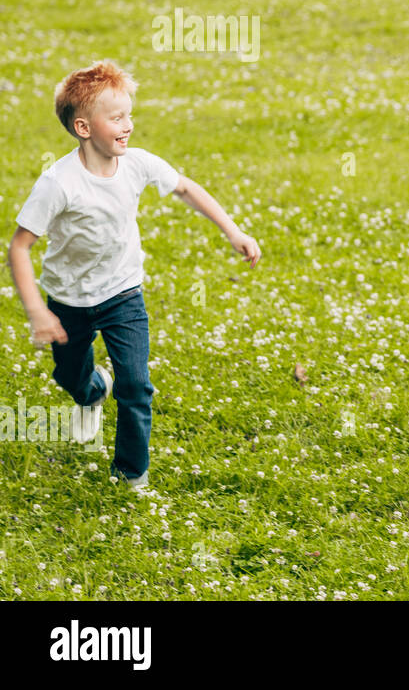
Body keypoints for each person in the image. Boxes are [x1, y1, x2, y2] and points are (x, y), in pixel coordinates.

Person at [7, 61, 261, 493]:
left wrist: (233, 230)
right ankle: (91, 392)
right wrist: (37, 311)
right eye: (117, 117)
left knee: (136, 385)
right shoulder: (59, 182)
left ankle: (130, 474)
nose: (128, 125)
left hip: (123, 292)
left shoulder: (139, 164)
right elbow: (19, 246)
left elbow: (185, 187)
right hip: (69, 299)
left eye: (129, 115)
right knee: (69, 376)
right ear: (85, 127)